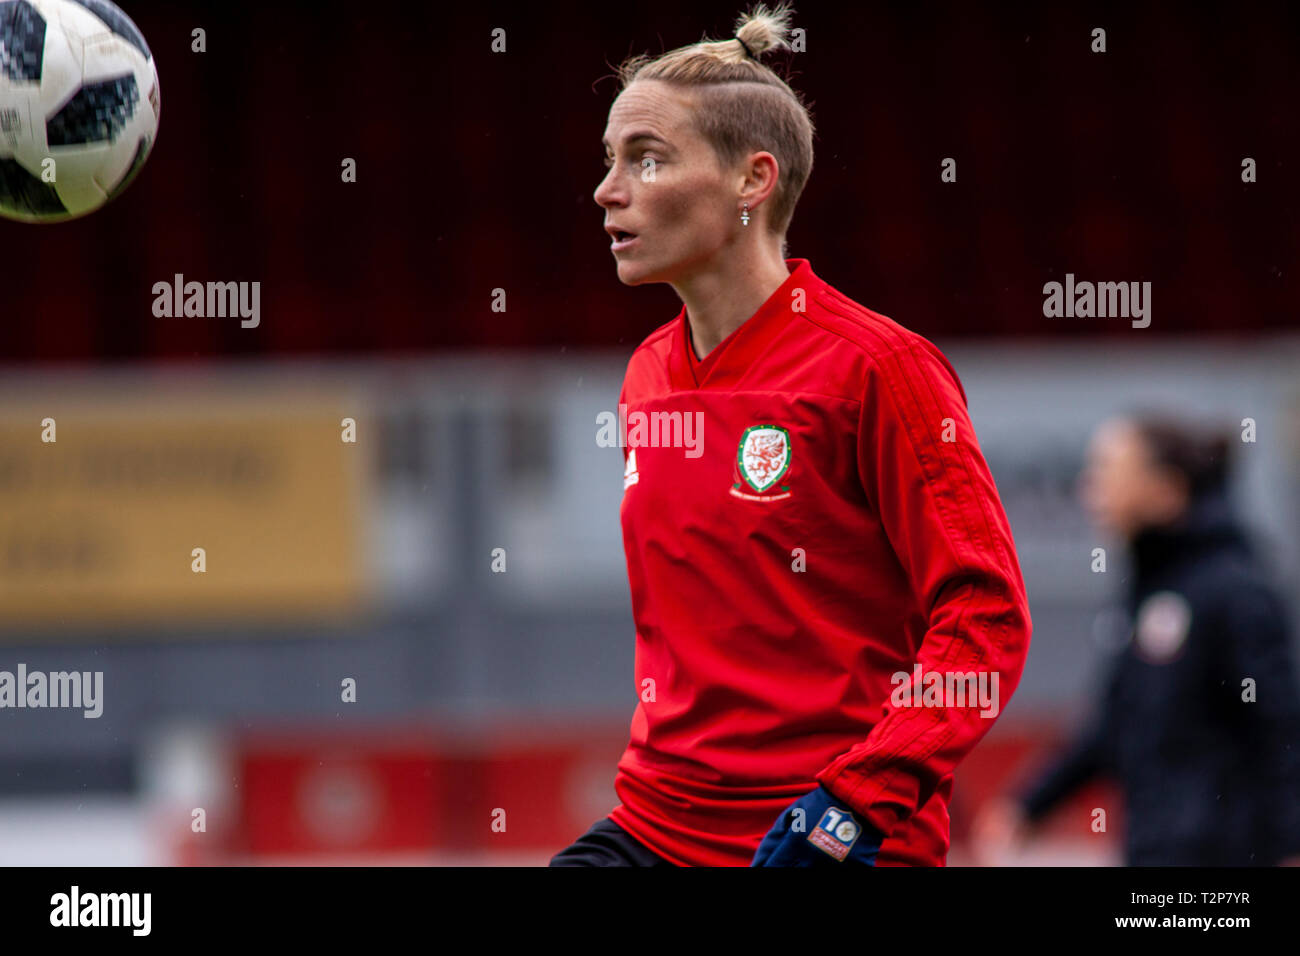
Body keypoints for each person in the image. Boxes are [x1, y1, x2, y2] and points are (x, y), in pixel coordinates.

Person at [550, 3, 1032, 867]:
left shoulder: (879, 368)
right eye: (609, 161)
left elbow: (984, 615)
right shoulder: (646, 375)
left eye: (646, 159)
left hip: (835, 835)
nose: (607, 190)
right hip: (658, 825)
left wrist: (859, 800)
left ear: (752, 180)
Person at [973, 414, 1300, 866]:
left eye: (1107, 470)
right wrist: (1029, 805)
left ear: (1165, 490)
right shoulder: (1148, 593)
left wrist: (1290, 846)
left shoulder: (1237, 591)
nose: (1090, 490)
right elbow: (1112, 724)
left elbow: (1279, 729)